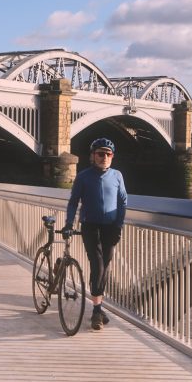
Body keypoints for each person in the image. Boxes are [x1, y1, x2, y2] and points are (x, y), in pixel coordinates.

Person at [64, 137, 127, 331]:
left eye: (108, 154)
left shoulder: (117, 175)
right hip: (90, 226)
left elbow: (122, 201)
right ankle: (97, 310)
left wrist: (119, 226)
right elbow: (74, 202)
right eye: (100, 153)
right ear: (92, 156)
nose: (105, 157)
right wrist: (68, 224)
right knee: (98, 264)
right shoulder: (83, 176)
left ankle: (98, 307)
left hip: (110, 227)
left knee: (105, 265)